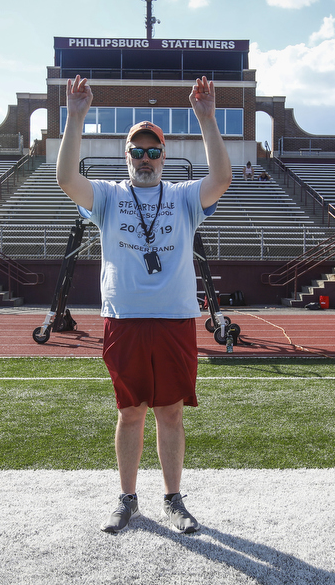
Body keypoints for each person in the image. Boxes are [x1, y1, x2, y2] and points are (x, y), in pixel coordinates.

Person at [56, 75, 232, 534]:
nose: (146, 158)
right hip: (124, 318)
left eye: (154, 151)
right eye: (138, 150)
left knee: (170, 410)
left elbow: (222, 178)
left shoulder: (181, 196)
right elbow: (65, 178)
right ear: (127, 154)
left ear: (165, 156)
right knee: (130, 411)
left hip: (175, 318)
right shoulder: (110, 196)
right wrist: (75, 117)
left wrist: (207, 120)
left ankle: (174, 500)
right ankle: (128, 498)